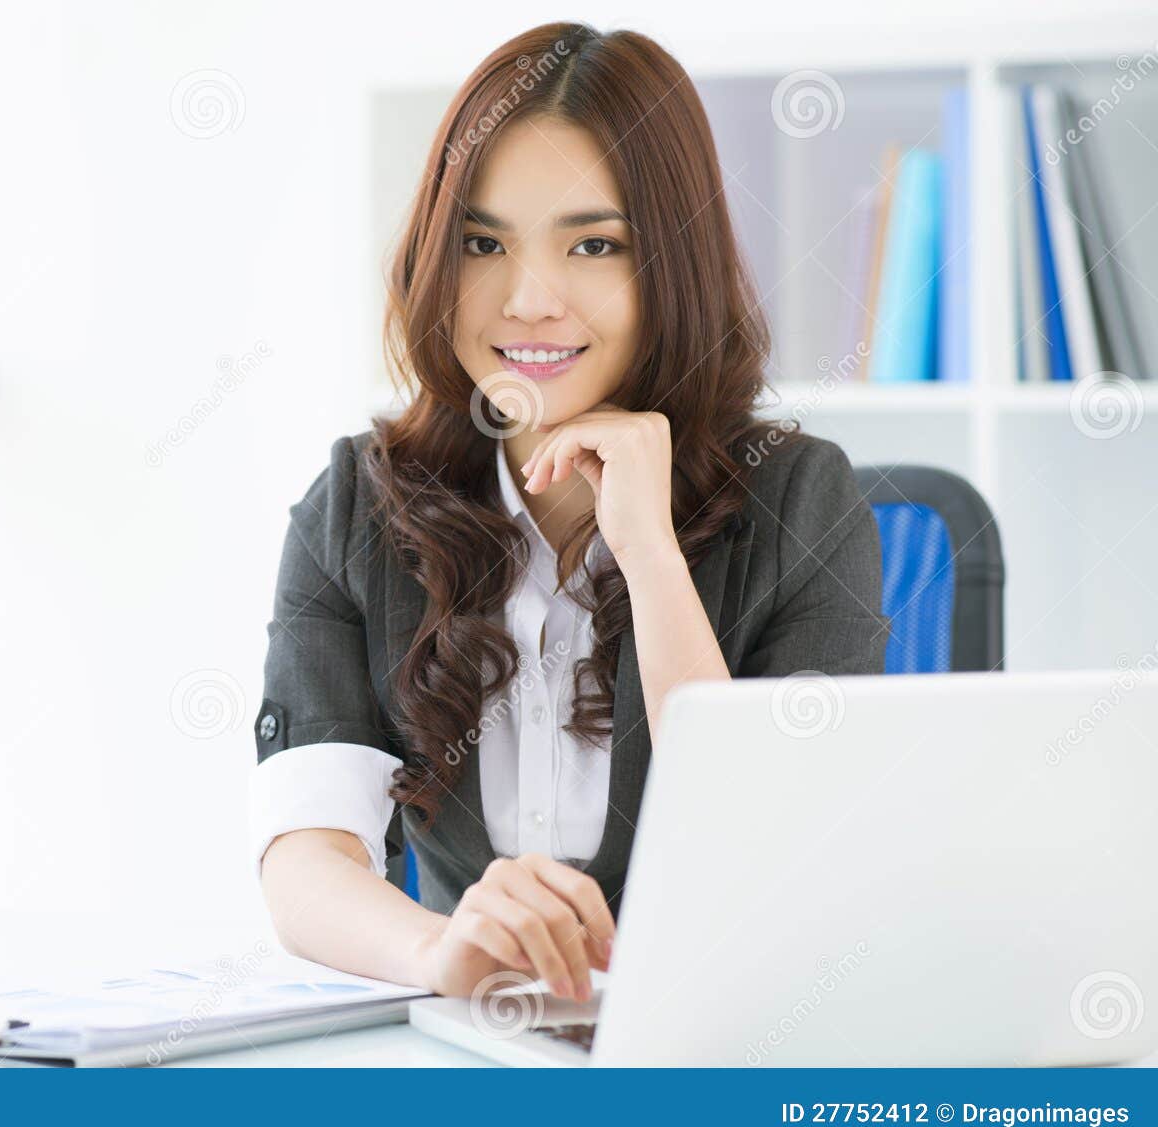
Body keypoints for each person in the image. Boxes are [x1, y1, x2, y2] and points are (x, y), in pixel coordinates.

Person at [251, 22, 888, 1003]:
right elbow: (307, 857)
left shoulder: (801, 498)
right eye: (482, 242)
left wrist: (648, 554)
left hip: (730, 1046)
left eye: (594, 244)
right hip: (481, 1053)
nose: (528, 299)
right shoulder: (357, 507)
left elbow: (772, 858)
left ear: (672, 266)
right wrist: (436, 951)